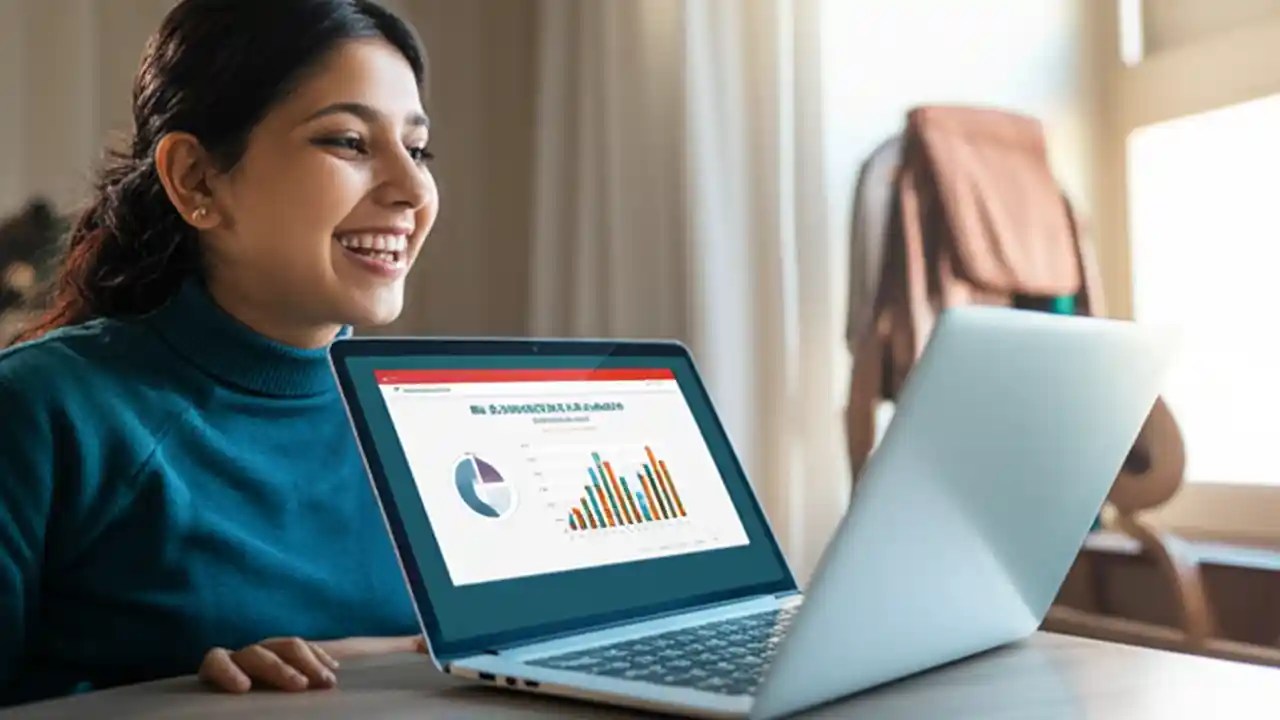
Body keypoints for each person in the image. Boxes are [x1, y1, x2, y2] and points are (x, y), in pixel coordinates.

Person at [0, 0, 439, 706]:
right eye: (349, 142)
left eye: (416, 150)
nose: (413, 190)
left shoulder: (432, 421)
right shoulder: (44, 412)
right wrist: (181, 700)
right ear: (197, 180)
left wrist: (363, 662)